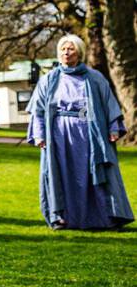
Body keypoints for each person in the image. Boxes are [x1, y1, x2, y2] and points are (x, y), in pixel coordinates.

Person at [27, 34, 132, 230]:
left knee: (93, 173)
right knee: (62, 174)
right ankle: (62, 217)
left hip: (89, 134)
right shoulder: (48, 80)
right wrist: (39, 134)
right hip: (59, 136)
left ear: (80, 52)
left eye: (71, 49)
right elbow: (38, 111)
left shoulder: (94, 78)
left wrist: (113, 128)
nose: (66, 53)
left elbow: (109, 104)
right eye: (63, 49)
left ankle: (103, 217)